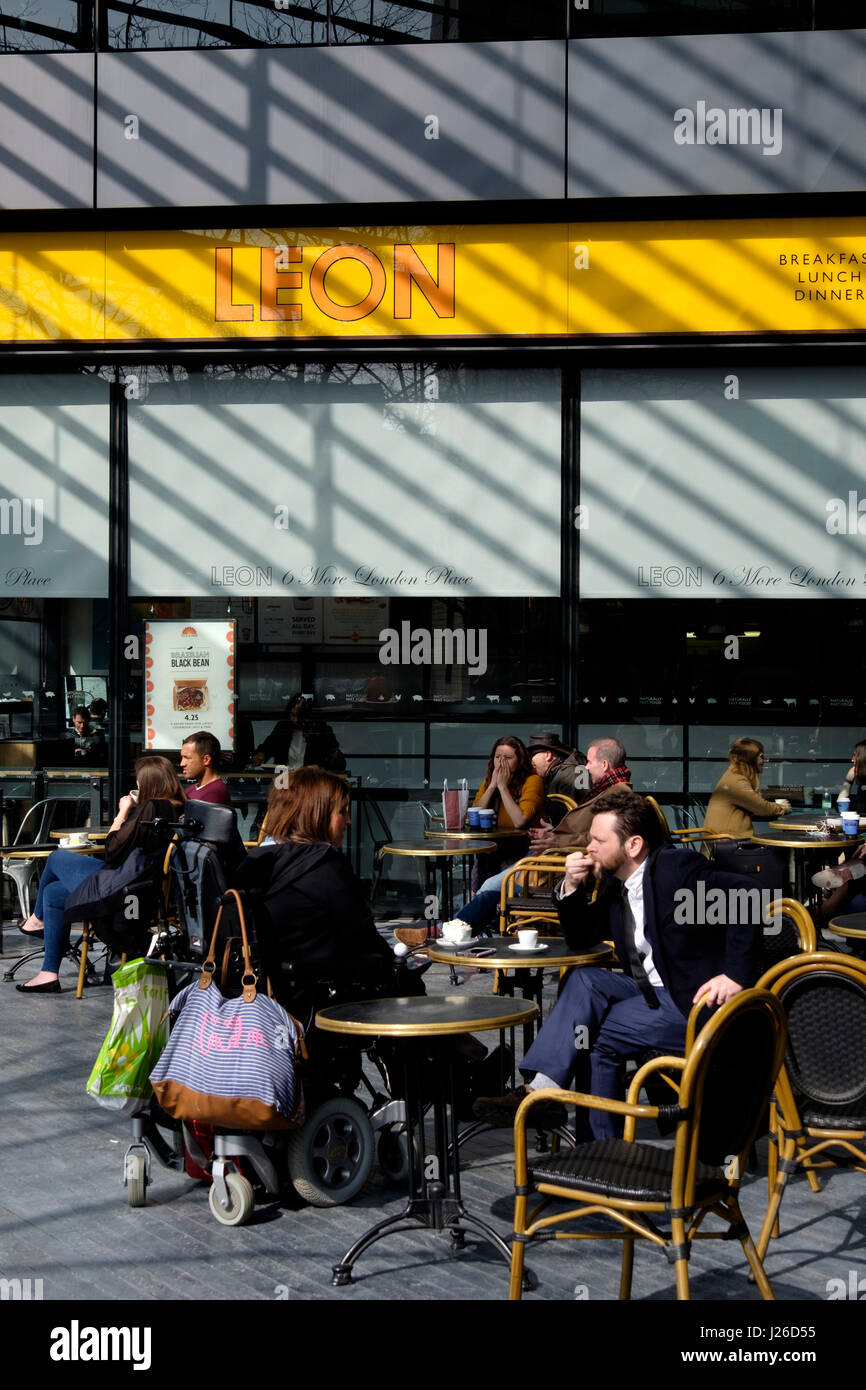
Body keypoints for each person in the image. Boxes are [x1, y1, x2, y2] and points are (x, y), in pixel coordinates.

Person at [473, 787, 764, 1135]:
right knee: (584, 981)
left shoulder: (675, 871)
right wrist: (570, 885)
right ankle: (545, 1091)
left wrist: (734, 975)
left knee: (595, 1035)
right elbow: (583, 939)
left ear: (633, 845)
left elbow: (748, 895)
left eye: (598, 840)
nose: (589, 847)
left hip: (694, 1003)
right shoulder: (617, 884)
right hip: (651, 992)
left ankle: (597, 1149)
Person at [14, 755, 186, 994]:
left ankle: (37, 920)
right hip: (139, 885)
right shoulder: (174, 807)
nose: (137, 786)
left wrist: (122, 812)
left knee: (55, 857)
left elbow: (112, 847)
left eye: (139, 782)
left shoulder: (151, 807)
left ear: (149, 783)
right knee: (53, 893)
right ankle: (48, 974)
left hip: (122, 889)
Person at [233, 768, 395, 1002]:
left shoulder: (253, 861)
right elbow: (364, 939)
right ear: (316, 814)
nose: (348, 821)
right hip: (323, 1000)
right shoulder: (324, 864)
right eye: (342, 812)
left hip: (265, 997)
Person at [397, 736, 545, 946]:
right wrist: (493, 785)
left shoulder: (533, 781)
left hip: (528, 853)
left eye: (508, 758)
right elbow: (470, 816)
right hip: (496, 850)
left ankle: (442, 932)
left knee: (487, 887)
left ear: (519, 761)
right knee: (486, 880)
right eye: (497, 757)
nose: (501, 762)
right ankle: (453, 931)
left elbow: (520, 820)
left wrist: (503, 788)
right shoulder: (490, 780)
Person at [528, 736, 632, 854]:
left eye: (589, 762)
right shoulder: (608, 790)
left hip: (567, 860)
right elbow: (587, 828)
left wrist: (559, 840)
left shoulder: (618, 794)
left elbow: (604, 837)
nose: (586, 767)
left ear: (604, 765)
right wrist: (556, 832)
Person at [704, 737, 790, 837]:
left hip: (725, 842)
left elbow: (754, 800)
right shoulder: (737, 782)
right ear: (751, 759)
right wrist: (783, 807)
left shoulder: (734, 775)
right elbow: (760, 807)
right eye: (761, 757)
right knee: (779, 848)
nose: (764, 760)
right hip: (728, 844)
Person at [250, 694, 346, 773]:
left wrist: (315, 742)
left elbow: (338, 763)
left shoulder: (322, 730)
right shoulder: (283, 727)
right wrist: (262, 754)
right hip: (285, 778)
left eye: (300, 716)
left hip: (311, 781)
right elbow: (268, 746)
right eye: (292, 715)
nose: (295, 720)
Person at [526, 732, 589, 808]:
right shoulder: (559, 773)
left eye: (532, 755)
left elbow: (567, 813)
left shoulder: (570, 773)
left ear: (548, 755)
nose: (530, 761)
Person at [179, 730, 232, 806]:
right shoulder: (190, 790)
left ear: (206, 760)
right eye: (182, 757)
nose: (182, 764)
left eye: (187, 758)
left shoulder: (215, 793)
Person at [837, 740, 866, 813]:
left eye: (855, 755)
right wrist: (848, 781)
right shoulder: (856, 773)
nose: (852, 759)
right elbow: (842, 800)